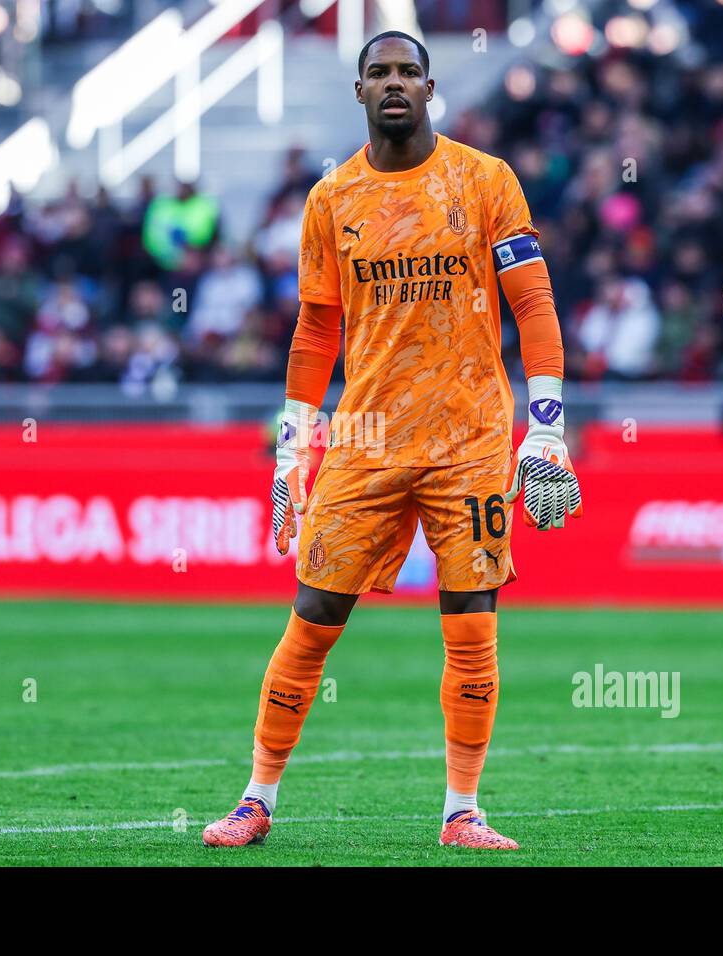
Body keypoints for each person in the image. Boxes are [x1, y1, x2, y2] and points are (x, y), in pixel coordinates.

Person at [201, 31, 583, 851]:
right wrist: (291, 451)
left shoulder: (486, 181)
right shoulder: (331, 199)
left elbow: (536, 307)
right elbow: (314, 333)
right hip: (367, 440)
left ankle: (461, 811)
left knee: (471, 624)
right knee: (312, 617)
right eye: (380, 72)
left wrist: (545, 425)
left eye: (409, 71)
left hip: (472, 439)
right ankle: (256, 798)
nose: (396, 83)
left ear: (432, 86)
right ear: (360, 91)